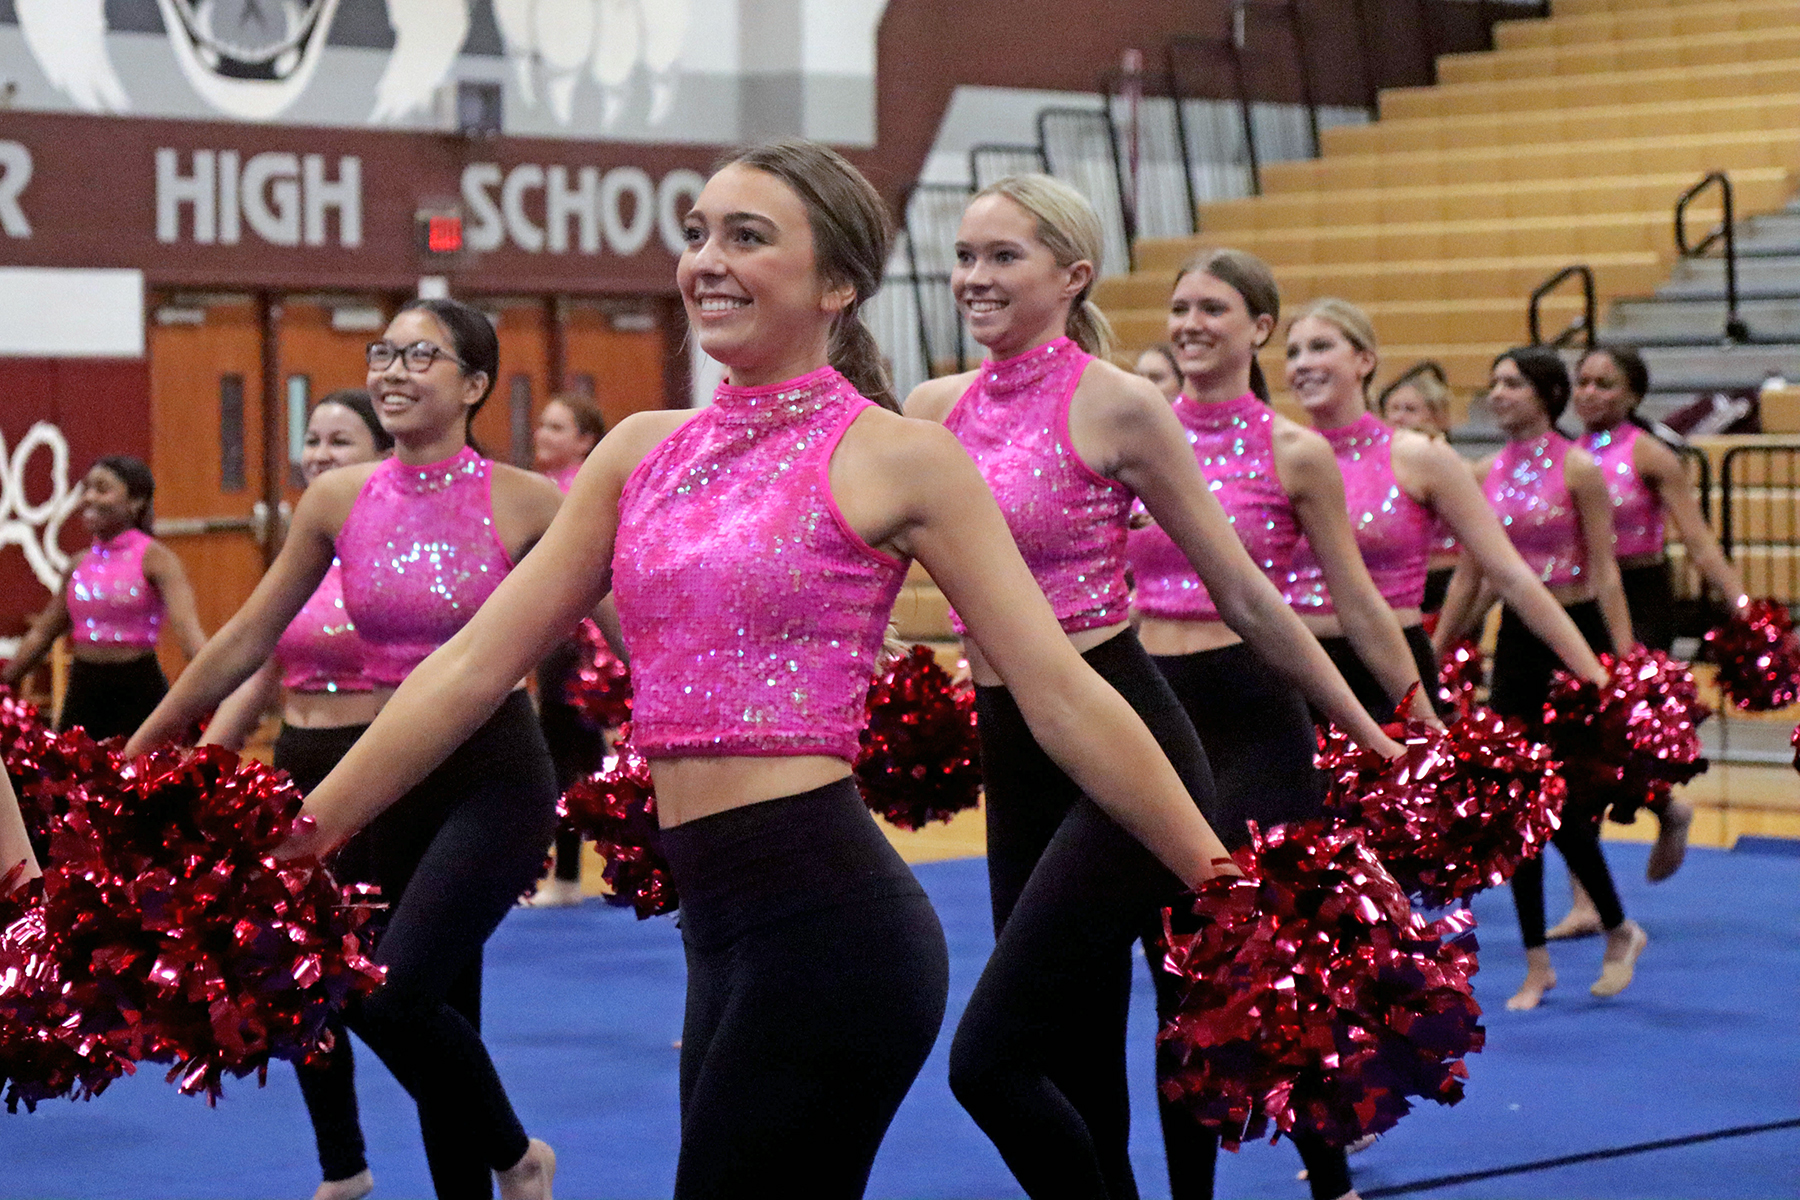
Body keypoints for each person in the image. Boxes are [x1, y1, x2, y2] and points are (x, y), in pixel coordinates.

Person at [250, 141, 1254, 1200]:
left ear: (837, 285)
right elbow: (468, 668)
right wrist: (301, 835)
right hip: (716, 928)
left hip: (831, 927)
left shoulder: (897, 455)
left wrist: (1220, 879)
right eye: (696, 235)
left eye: (746, 236)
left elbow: (1058, 689)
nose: (707, 262)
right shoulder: (640, 450)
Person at [906, 184, 1401, 1200]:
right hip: (1016, 752)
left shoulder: (1119, 405)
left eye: (1003, 257)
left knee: (993, 1059)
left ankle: (1320, 1174)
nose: (973, 279)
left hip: (1122, 739)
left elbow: (1248, 595)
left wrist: (1376, 732)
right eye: (965, 256)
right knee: (1072, 1058)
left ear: (1071, 276)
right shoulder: (930, 409)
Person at [128, 298, 566, 1200]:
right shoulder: (337, 500)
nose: (394, 370)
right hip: (388, 773)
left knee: (393, 994)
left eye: (422, 356)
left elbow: (625, 621)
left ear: (475, 385)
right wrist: (147, 744)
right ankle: (488, 1182)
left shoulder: (528, 499)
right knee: (427, 1007)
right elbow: (248, 636)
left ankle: (520, 1158)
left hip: (495, 773)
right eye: (384, 352)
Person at [199, 391, 425, 1200]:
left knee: (384, 986)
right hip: (292, 768)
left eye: (342, 440)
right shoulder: (302, 548)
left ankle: (489, 1134)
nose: (321, 455)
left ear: (381, 449)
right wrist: (191, 769)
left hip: (374, 769)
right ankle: (344, 1165)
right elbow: (256, 673)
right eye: (313, 440)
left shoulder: (400, 563)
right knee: (296, 979)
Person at [1432, 346, 1648, 1011]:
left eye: (1511, 384)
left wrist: (1623, 663)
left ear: (1546, 395)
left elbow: (1606, 570)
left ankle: (1614, 928)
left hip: (1574, 635)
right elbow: (1473, 573)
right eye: (1493, 381)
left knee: (1552, 802)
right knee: (1517, 799)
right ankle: (1544, 960)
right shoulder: (1482, 473)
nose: (1495, 394)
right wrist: (1434, 651)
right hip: (1520, 643)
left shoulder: (1580, 469)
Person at [1281, 299, 1608, 725]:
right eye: (1293, 352)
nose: (1303, 363)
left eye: (1320, 346)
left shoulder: (1420, 456)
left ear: (1364, 360)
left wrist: (1600, 681)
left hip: (1391, 679)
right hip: (1294, 673)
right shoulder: (1277, 458)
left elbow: (1510, 574)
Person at [1566, 343, 1747, 891]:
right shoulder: (1565, 454)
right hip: (1580, 599)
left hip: (1641, 597)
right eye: (1583, 382)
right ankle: (1587, 897)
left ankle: (1667, 809)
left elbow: (1698, 540)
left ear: (1634, 395)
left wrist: (1745, 608)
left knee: (1621, 735)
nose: (1589, 393)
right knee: (1573, 745)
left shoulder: (1650, 454)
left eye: (1605, 384)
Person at [3, 456, 206, 740]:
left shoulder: (157, 560)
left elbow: (188, 633)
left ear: (136, 502)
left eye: (101, 489)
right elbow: (41, 634)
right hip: (83, 691)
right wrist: (4, 680)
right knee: (69, 780)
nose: (88, 498)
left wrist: (217, 689)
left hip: (139, 690)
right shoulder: (78, 565)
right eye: (86, 489)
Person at [528, 393, 610, 907]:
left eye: (556, 427)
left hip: (580, 646)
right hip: (564, 639)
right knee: (585, 756)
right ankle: (576, 871)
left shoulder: (579, 491)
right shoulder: (547, 490)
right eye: (541, 424)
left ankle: (566, 877)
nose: (542, 434)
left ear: (585, 440)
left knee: (565, 755)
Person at [1377, 363, 1460, 612]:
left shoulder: (1456, 468)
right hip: (1396, 583)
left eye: (1410, 409)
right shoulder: (1377, 472)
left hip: (1444, 581)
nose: (1399, 417)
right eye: (1393, 409)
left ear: (1437, 417)